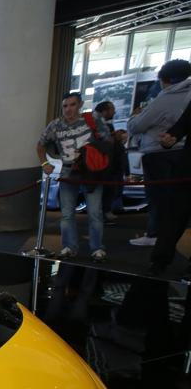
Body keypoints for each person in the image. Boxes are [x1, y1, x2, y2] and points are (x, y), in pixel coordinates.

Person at [37, 91, 110, 261]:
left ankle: (97, 248)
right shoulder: (55, 125)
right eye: (65, 106)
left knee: (95, 212)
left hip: (91, 172)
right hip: (68, 172)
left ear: (80, 104)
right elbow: (40, 145)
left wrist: (94, 154)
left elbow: (108, 142)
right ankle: (69, 246)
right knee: (67, 213)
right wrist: (44, 163)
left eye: (72, 105)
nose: (68, 109)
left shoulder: (92, 119)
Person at [126, 59, 191, 246]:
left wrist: (135, 116)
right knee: (175, 199)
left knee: (157, 197)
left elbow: (137, 125)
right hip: (183, 154)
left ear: (165, 79)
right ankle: (167, 237)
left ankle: (155, 235)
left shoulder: (165, 98)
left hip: (158, 153)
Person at [154, 100, 191, 281]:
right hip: (187, 171)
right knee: (173, 217)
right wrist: (170, 138)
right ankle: (159, 261)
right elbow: (183, 124)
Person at [95, 100, 127, 221]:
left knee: (109, 189)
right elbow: (104, 143)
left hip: (110, 164)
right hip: (105, 164)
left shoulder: (106, 124)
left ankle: (105, 212)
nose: (114, 111)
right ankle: (104, 212)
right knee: (106, 190)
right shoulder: (98, 123)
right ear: (105, 111)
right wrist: (115, 137)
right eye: (112, 109)